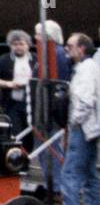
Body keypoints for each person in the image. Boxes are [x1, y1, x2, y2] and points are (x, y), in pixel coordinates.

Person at [61, 33, 100, 205]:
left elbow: (85, 102)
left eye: (70, 45)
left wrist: (73, 122)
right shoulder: (91, 67)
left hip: (82, 128)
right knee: (90, 174)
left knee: (70, 174)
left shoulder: (85, 70)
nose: (66, 48)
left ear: (81, 48)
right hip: (91, 128)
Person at [34, 19, 72, 193]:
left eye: (37, 34)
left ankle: (57, 185)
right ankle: (56, 183)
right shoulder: (54, 53)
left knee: (50, 147)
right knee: (49, 147)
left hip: (49, 109)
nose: (34, 37)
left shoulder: (54, 54)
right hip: (48, 107)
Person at [0, 30, 37, 151]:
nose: (18, 47)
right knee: (14, 133)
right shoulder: (3, 60)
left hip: (31, 103)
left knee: (29, 135)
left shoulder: (35, 60)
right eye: (15, 44)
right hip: (12, 103)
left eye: (21, 44)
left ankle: (26, 161)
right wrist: (8, 84)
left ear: (28, 45)